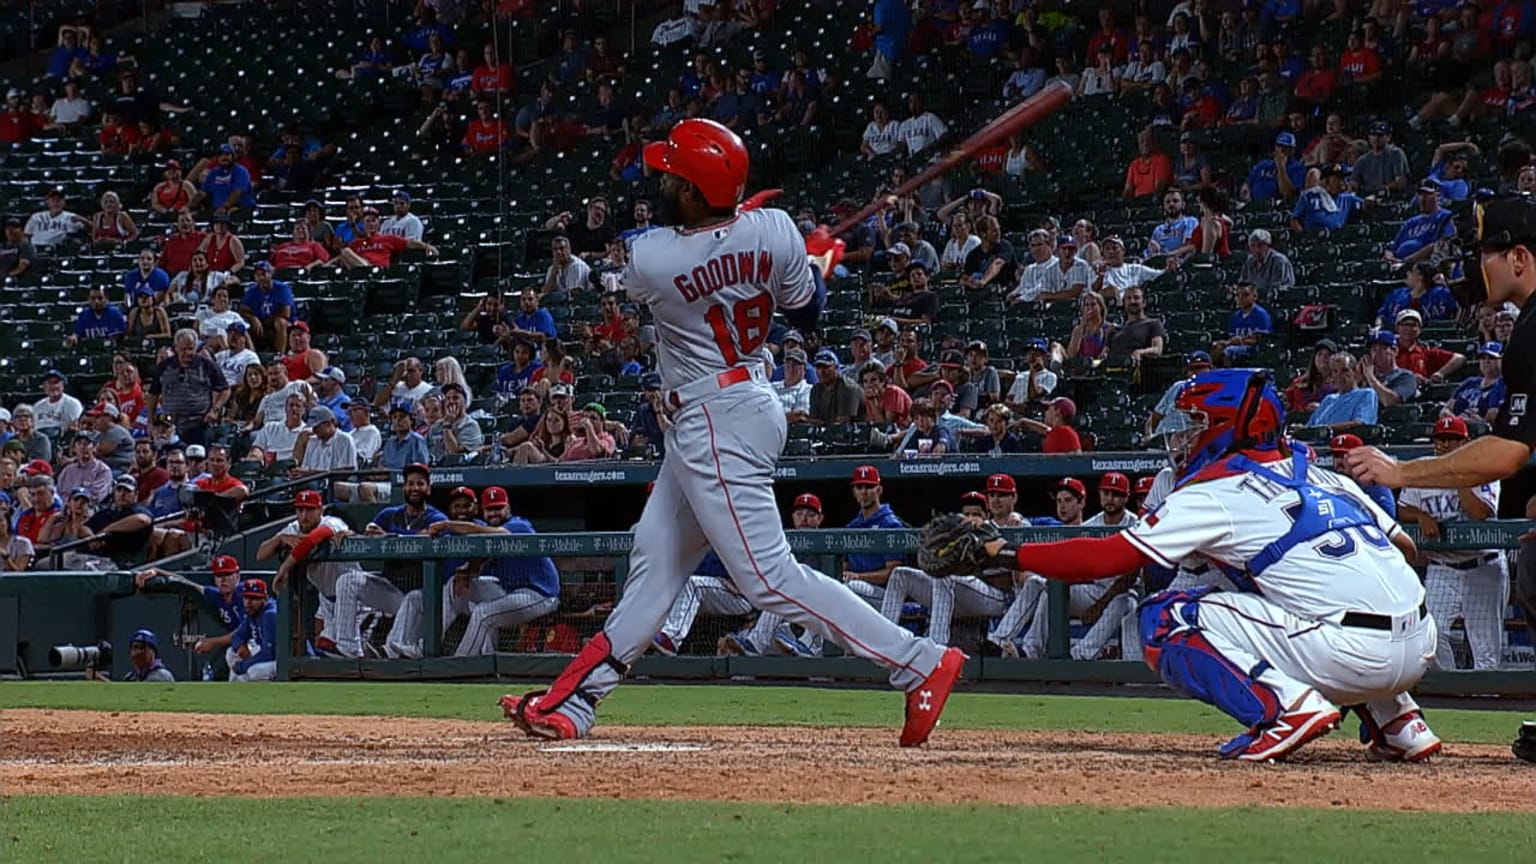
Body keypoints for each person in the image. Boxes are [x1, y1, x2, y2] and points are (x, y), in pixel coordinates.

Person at [502, 119, 963, 746]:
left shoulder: (654, 256)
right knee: (655, 562)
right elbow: (808, 310)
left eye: (674, 178)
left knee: (768, 578)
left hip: (717, 421)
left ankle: (918, 661)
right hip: (738, 404)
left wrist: (771, 243)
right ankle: (574, 703)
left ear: (695, 192)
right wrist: (813, 260)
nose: (663, 183)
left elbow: (688, 251)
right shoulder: (774, 230)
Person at [931, 369, 1442, 763]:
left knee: (1164, 617)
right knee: (1293, 588)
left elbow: (1109, 557)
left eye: (1198, 424)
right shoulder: (1326, 475)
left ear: (1229, 428)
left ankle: (1287, 708)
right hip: (1419, 644)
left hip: (1349, 653)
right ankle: (1399, 721)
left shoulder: (1216, 491)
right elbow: (1405, 550)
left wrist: (1003, 552)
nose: (1185, 437)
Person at [1395, 416, 1506, 672]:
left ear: (1466, 442)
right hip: (1443, 566)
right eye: (1440, 439)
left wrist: (1457, 475)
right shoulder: (1423, 468)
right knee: (1431, 637)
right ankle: (1453, 687)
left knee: (1485, 648)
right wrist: (1420, 515)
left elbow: (1479, 512)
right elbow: (1403, 508)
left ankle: (1485, 694)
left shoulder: (1484, 469)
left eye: (1452, 440)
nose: (1444, 444)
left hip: (1483, 565)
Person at [227, 577, 278, 682]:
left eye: (254, 598)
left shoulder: (270, 615)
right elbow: (236, 636)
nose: (248, 602)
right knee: (231, 653)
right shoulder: (253, 612)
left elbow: (268, 654)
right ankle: (237, 685)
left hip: (284, 661)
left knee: (254, 671)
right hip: (270, 657)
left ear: (265, 598)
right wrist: (240, 646)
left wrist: (243, 666)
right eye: (246, 597)